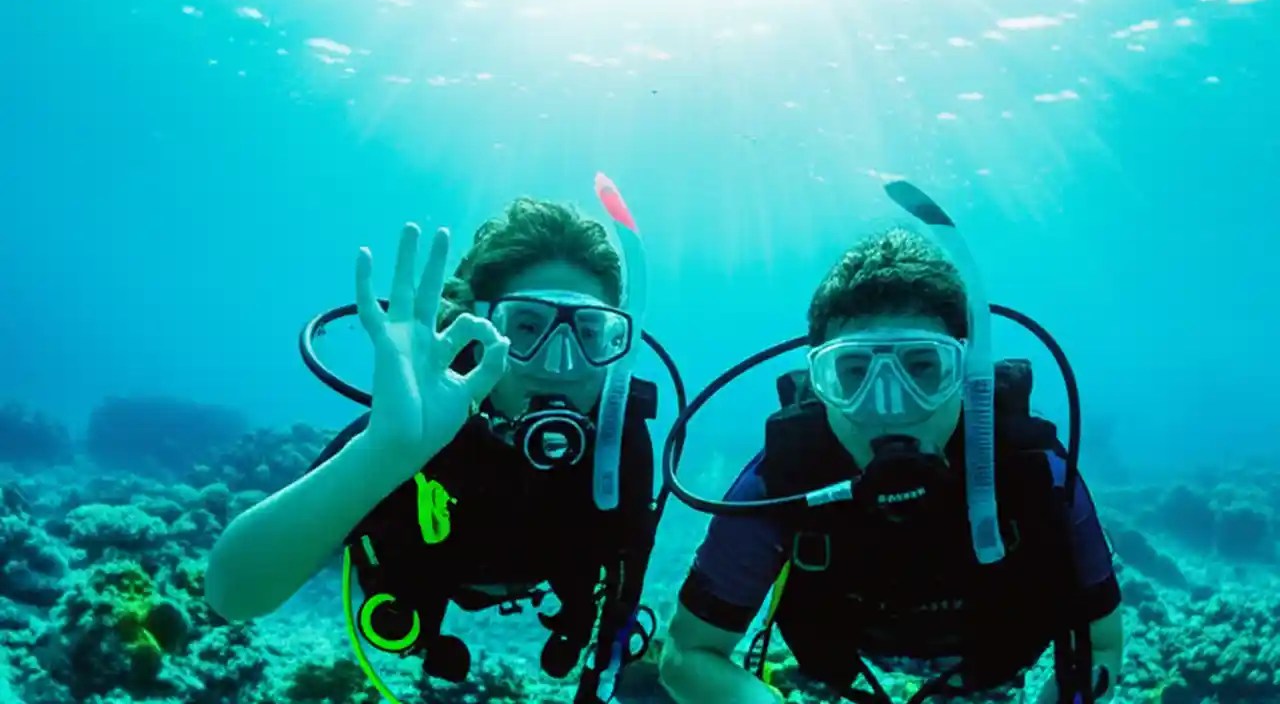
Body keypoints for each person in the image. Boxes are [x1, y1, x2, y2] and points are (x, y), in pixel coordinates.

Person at [656, 182, 1124, 704]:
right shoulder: (783, 484)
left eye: (922, 368)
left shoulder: (1034, 474)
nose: (888, 407)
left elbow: (1100, 645)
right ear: (820, 386)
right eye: (854, 373)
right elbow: (687, 655)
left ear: (966, 376)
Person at [206, 193, 677, 704]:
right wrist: (383, 454)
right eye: (525, 326)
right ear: (474, 330)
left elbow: (625, 578)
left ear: (616, 347)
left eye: (588, 333)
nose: (560, 364)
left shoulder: (618, 441)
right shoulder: (417, 426)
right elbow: (233, 595)